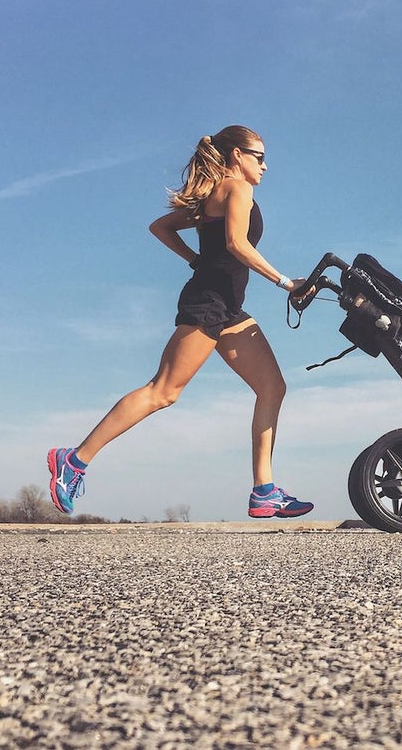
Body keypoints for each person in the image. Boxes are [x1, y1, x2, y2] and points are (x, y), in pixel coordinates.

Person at [48, 126, 314, 520]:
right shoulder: (237, 188)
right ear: (236, 156)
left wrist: (194, 259)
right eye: (258, 156)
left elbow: (160, 227)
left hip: (226, 308)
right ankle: (73, 460)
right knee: (163, 391)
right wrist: (285, 282)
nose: (265, 165)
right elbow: (236, 244)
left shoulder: (213, 194)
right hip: (208, 305)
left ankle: (264, 491)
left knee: (272, 386)